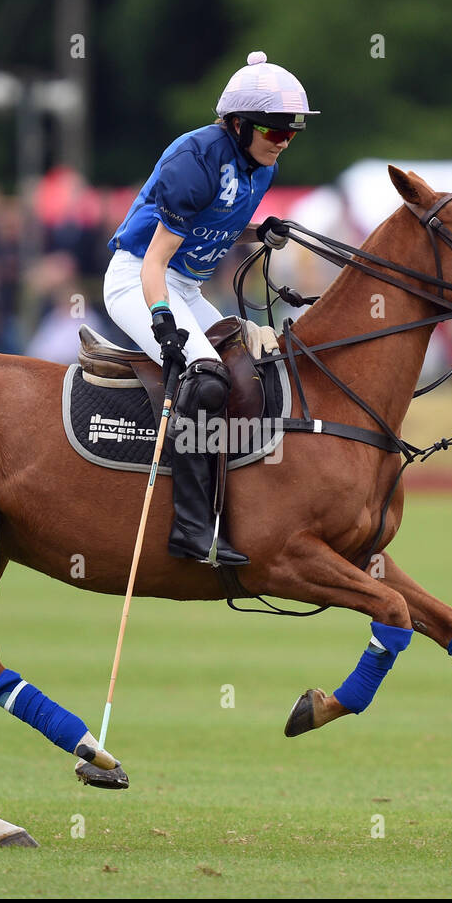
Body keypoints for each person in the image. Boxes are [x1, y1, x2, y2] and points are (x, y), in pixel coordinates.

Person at [103, 51, 318, 566]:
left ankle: (245, 504)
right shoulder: (194, 161)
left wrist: (256, 232)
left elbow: (212, 228)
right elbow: (155, 260)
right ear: (239, 124)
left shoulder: (261, 165)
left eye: (292, 132)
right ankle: (192, 531)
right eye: (274, 130)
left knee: (253, 368)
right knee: (205, 379)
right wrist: (161, 319)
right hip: (139, 278)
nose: (283, 140)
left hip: (188, 287)